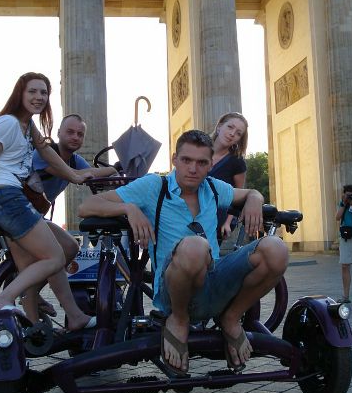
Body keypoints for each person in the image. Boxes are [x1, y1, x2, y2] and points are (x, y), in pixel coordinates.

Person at [79, 129, 288, 375]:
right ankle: (178, 320)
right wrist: (128, 209)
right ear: (174, 159)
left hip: (213, 283)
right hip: (174, 289)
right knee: (195, 246)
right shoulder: (154, 186)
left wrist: (255, 198)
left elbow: (250, 193)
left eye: (201, 162)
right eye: (186, 160)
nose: (193, 169)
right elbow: (86, 206)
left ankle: (231, 318)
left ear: (210, 165)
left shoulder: (214, 188)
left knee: (276, 248)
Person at [0, 72, 95, 330]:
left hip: (13, 197)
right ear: (20, 94)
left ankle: (70, 314)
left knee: (68, 246)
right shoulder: (7, 123)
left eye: (44, 93)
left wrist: (74, 175)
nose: (39, 97)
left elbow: (46, 151)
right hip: (4, 197)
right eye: (32, 91)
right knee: (54, 257)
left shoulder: (28, 126)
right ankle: (5, 298)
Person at [29, 113, 117, 315]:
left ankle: (31, 290)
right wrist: (111, 169)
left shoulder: (76, 161)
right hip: (21, 214)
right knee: (58, 253)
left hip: (36, 218)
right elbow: (77, 175)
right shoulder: (44, 153)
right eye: (70, 132)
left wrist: (116, 175)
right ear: (58, 133)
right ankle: (30, 294)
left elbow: (92, 175)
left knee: (70, 247)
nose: (75, 137)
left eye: (80, 134)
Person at [210, 112, 248, 239]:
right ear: (219, 127)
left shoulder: (237, 162)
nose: (232, 134)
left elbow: (238, 197)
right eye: (230, 127)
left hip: (219, 220)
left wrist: (227, 222)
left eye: (238, 133)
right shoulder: (199, 150)